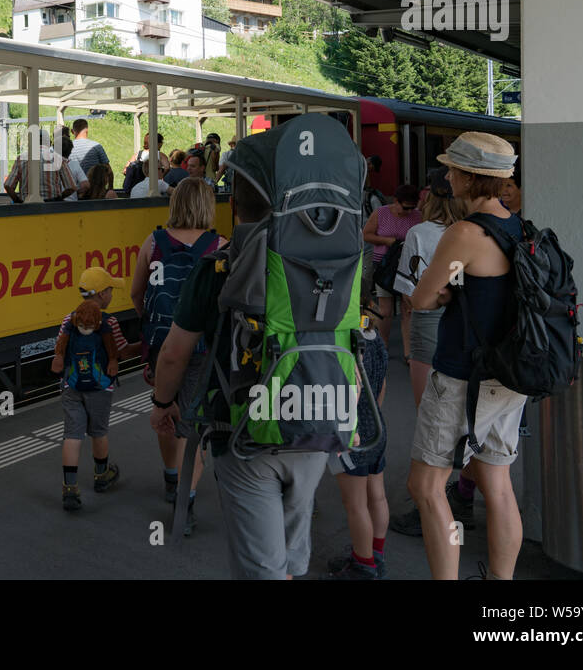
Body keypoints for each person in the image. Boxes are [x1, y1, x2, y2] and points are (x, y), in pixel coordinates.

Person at [150, 166, 325, 579]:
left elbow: (174, 354)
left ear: (232, 206)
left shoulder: (217, 267)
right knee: (290, 556)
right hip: (317, 420)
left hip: (244, 427)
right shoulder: (321, 263)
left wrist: (162, 403)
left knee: (260, 565)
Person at [406, 132, 525, 580]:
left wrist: (440, 297)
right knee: (497, 484)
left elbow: (421, 298)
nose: (447, 176)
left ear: (472, 177)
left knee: (426, 486)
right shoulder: (517, 226)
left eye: (453, 169)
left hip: (461, 378)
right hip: (507, 376)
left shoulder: (464, 232)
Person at [130, 180, 222, 534]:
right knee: (192, 423)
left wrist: (153, 325)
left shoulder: (153, 242)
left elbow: (138, 293)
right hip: (201, 347)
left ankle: (171, 477)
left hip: (160, 344)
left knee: (163, 406)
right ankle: (188, 498)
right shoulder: (220, 246)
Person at [388, 168, 475, 539]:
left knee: (431, 417)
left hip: (429, 325)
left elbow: (409, 294)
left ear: (431, 199)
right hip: (470, 327)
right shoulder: (476, 234)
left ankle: (432, 505)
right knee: (472, 424)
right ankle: (465, 495)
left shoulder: (418, 234)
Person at [51, 269, 126, 510]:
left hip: (71, 387)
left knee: (72, 435)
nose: (112, 295)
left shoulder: (68, 319)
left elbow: (60, 349)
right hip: (100, 389)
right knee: (99, 432)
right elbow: (121, 351)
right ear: (103, 294)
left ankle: (69, 489)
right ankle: (101, 475)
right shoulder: (109, 322)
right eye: (111, 290)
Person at [325, 317, 390, 579]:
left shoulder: (345, 341)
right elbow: (382, 385)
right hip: (376, 426)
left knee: (356, 505)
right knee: (377, 496)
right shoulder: (376, 338)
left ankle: (363, 565)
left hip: (352, 434)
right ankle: (375, 553)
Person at [363, 184, 421, 357]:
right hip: (384, 264)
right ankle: (384, 345)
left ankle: (408, 353)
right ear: (396, 201)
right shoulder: (381, 213)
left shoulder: (418, 216)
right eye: (406, 207)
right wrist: (388, 241)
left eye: (412, 207)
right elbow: (366, 235)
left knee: (407, 309)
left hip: (409, 266)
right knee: (385, 309)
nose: (409, 211)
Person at [3, 128, 74, 203]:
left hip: (27, 206)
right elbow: (72, 187)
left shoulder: (21, 159)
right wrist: (59, 198)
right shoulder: (58, 158)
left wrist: (18, 201)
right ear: (49, 143)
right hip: (53, 206)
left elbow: (8, 185)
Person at [59, 130, 90, 201]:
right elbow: (85, 185)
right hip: (71, 204)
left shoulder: (48, 164)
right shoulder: (74, 164)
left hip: (52, 204)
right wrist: (76, 192)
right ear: (70, 151)